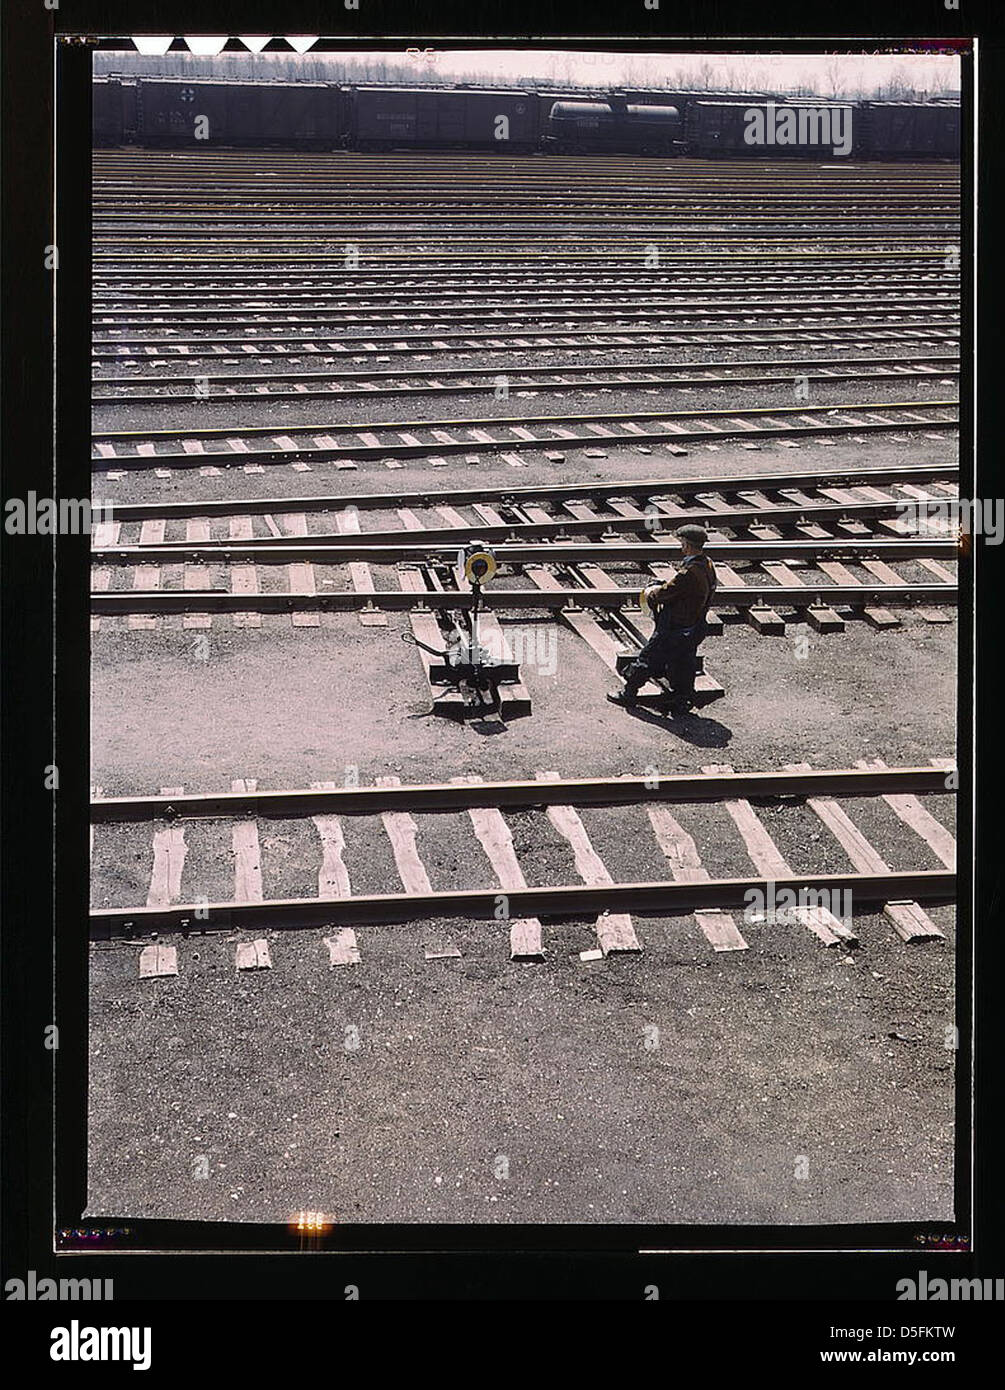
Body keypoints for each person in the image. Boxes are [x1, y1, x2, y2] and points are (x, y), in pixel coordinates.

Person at [607, 524, 717, 717]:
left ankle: (629, 693)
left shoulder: (688, 573)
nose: (681, 547)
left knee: (649, 657)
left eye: (682, 543)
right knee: (684, 663)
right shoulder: (707, 564)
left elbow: (665, 594)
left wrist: (652, 593)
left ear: (688, 545)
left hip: (675, 626)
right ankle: (682, 701)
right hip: (694, 625)